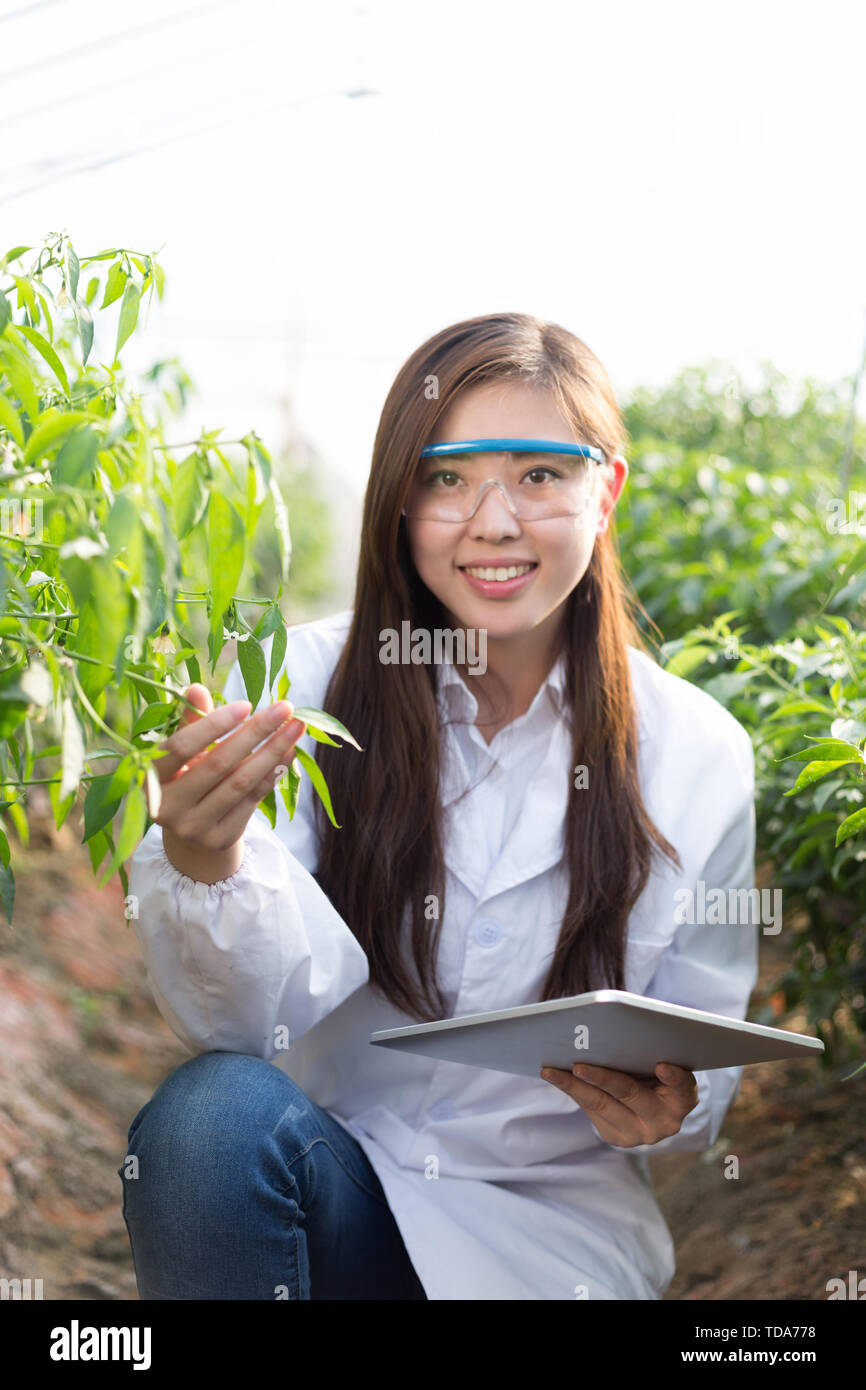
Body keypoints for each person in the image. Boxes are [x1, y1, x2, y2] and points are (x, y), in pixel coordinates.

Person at [119, 312, 757, 1301]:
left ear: (605, 492)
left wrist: (669, 1103)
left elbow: (702, 1044)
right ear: (398, 503)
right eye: (446, 478)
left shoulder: (698, 753)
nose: (492, 522)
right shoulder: (301, 684)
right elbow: (247, 1029)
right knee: (210, 1118)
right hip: (334, 1192)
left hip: (544, 1240)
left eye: (539, 475)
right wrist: (207, 864)